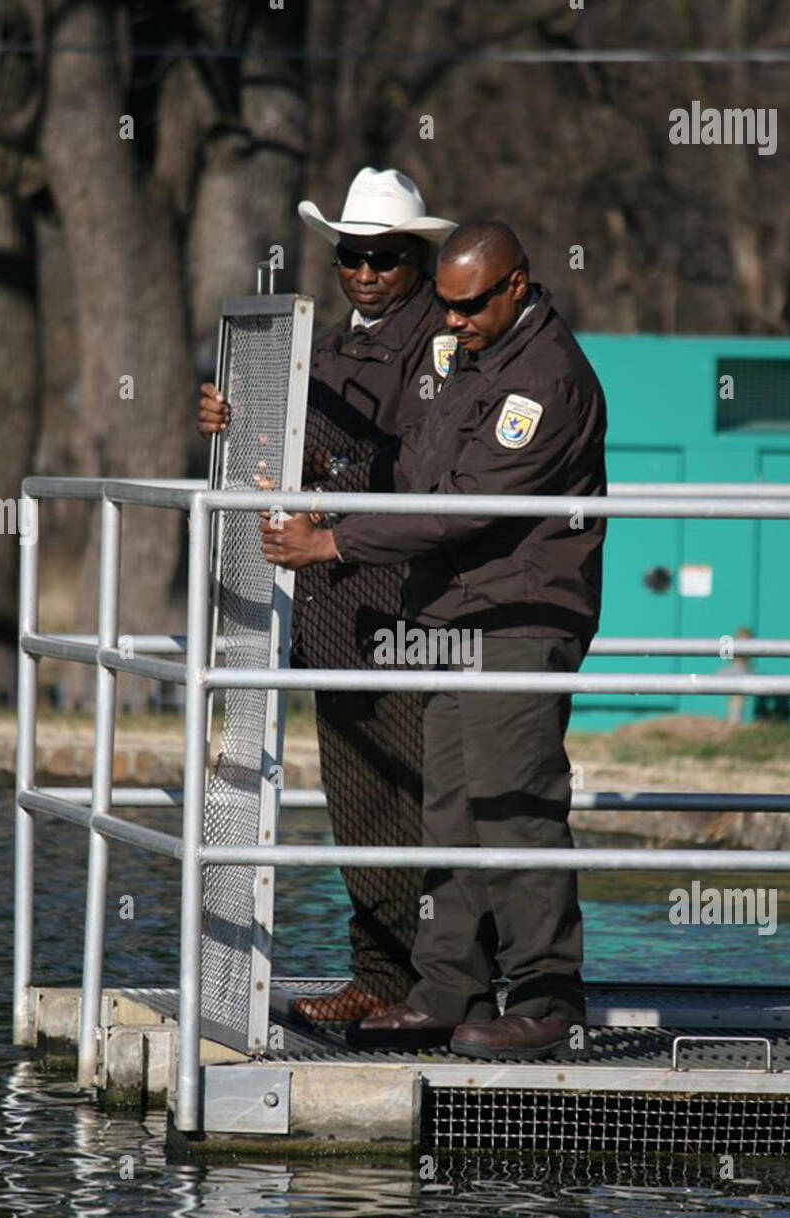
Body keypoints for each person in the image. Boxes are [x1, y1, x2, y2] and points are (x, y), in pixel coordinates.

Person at [261, 221, 606, 1062]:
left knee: (513, 808)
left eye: (469, 306)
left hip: (519, 621)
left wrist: (333, 542)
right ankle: (447, 989)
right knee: (449, 814)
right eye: (445, 307)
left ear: (517, 286)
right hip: (450, 618)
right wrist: (313, 484)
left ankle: (547, 999)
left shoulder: (546, 380)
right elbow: (413, 470)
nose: (450, 322)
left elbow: (464, 506)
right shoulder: (470, 361)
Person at [197, 168, 456, 1022]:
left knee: (415, 793)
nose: (366, 272)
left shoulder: (440, 346)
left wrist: (325, 475)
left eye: (383, 257)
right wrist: (240, 421)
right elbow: (296, 454)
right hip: (331, 597)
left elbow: (415, 471)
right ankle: (377, 977)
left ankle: (439, 985)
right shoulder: (327, 342)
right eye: (351, 256)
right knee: (357, 795)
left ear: (416, 258)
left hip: (404, 601)